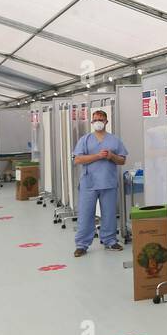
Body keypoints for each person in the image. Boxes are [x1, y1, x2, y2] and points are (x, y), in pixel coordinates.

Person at [72, 109, 128, 256]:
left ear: (106, 122)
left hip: (108, 182)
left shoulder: (114, 140)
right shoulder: (85, 140)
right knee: (86, 214)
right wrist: (97, 156)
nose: (98, 122)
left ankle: (110, 240)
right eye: (95, 119)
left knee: (109, 214)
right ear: (92, 122)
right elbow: (77, 159)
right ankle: (82, 244)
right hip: (89, 183)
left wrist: (111, 156)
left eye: (101, 119)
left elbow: (122, 160)